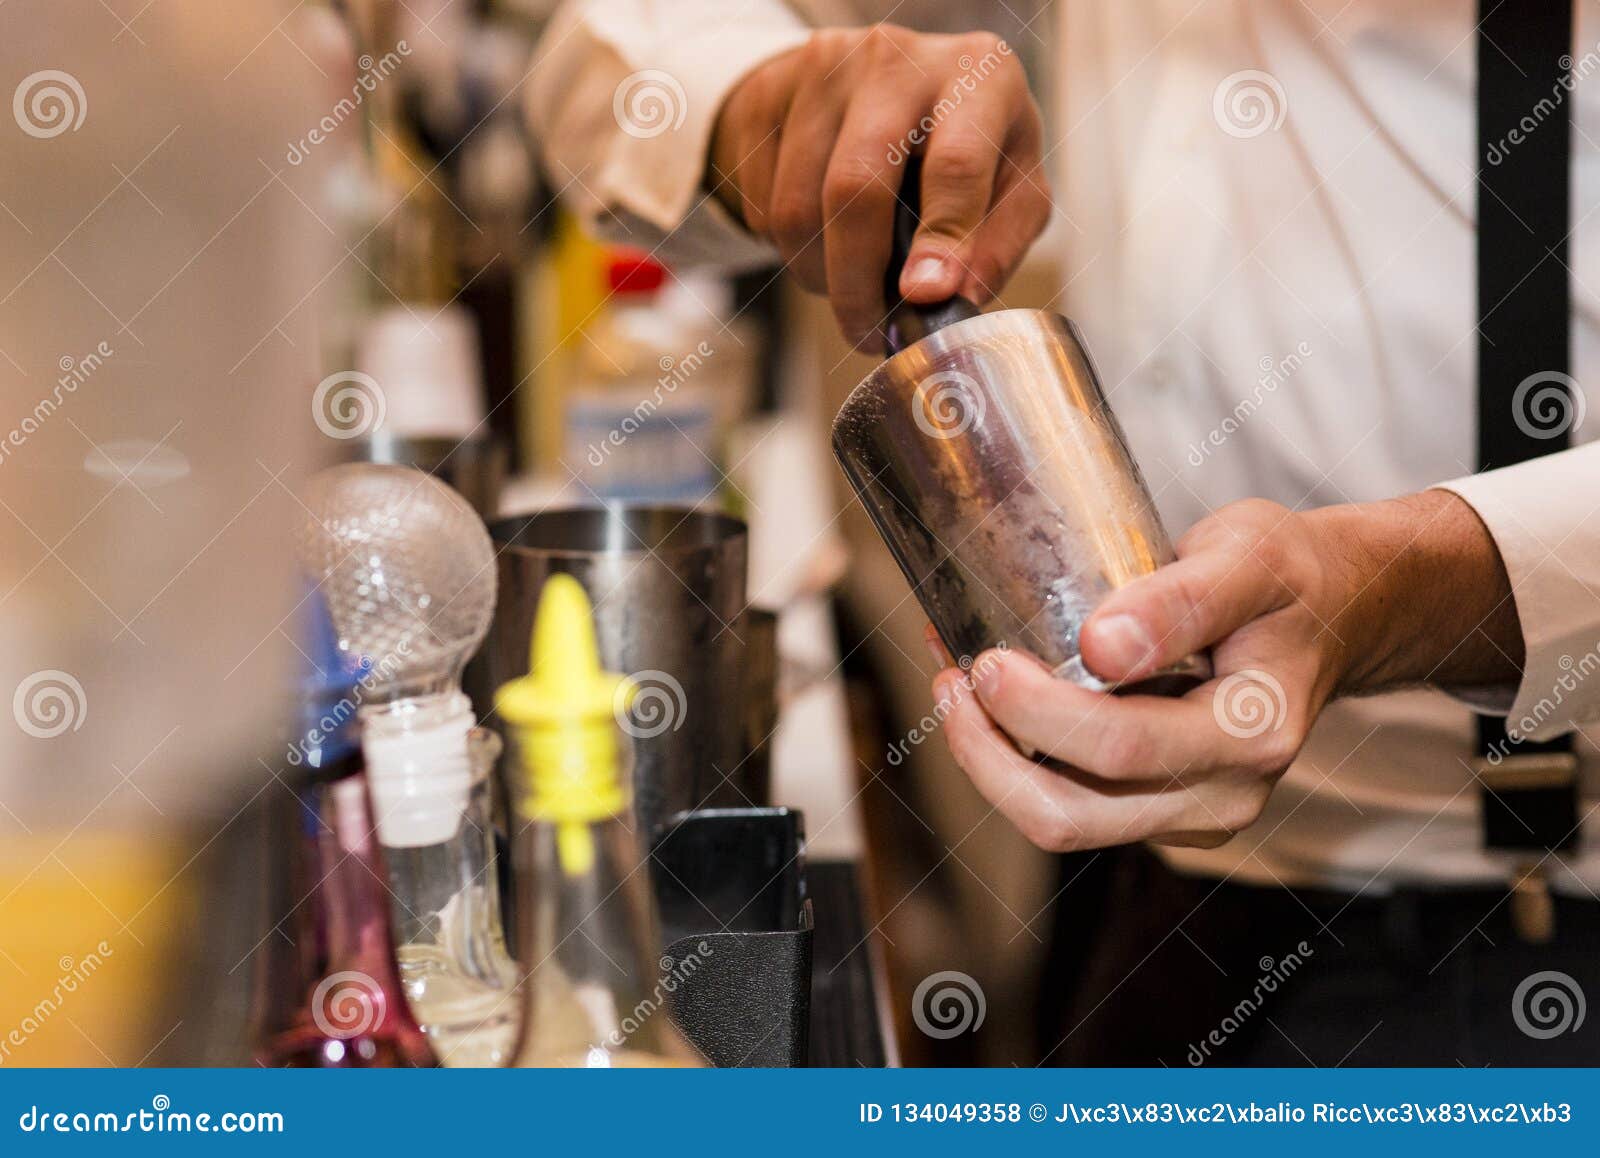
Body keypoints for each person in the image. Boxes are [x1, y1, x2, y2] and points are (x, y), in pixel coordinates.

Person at [527, 0, 1600, 1064]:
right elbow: (605, 44)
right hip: (1137, 888)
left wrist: (1392, 594)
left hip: (1516, 932)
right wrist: (759, 108)